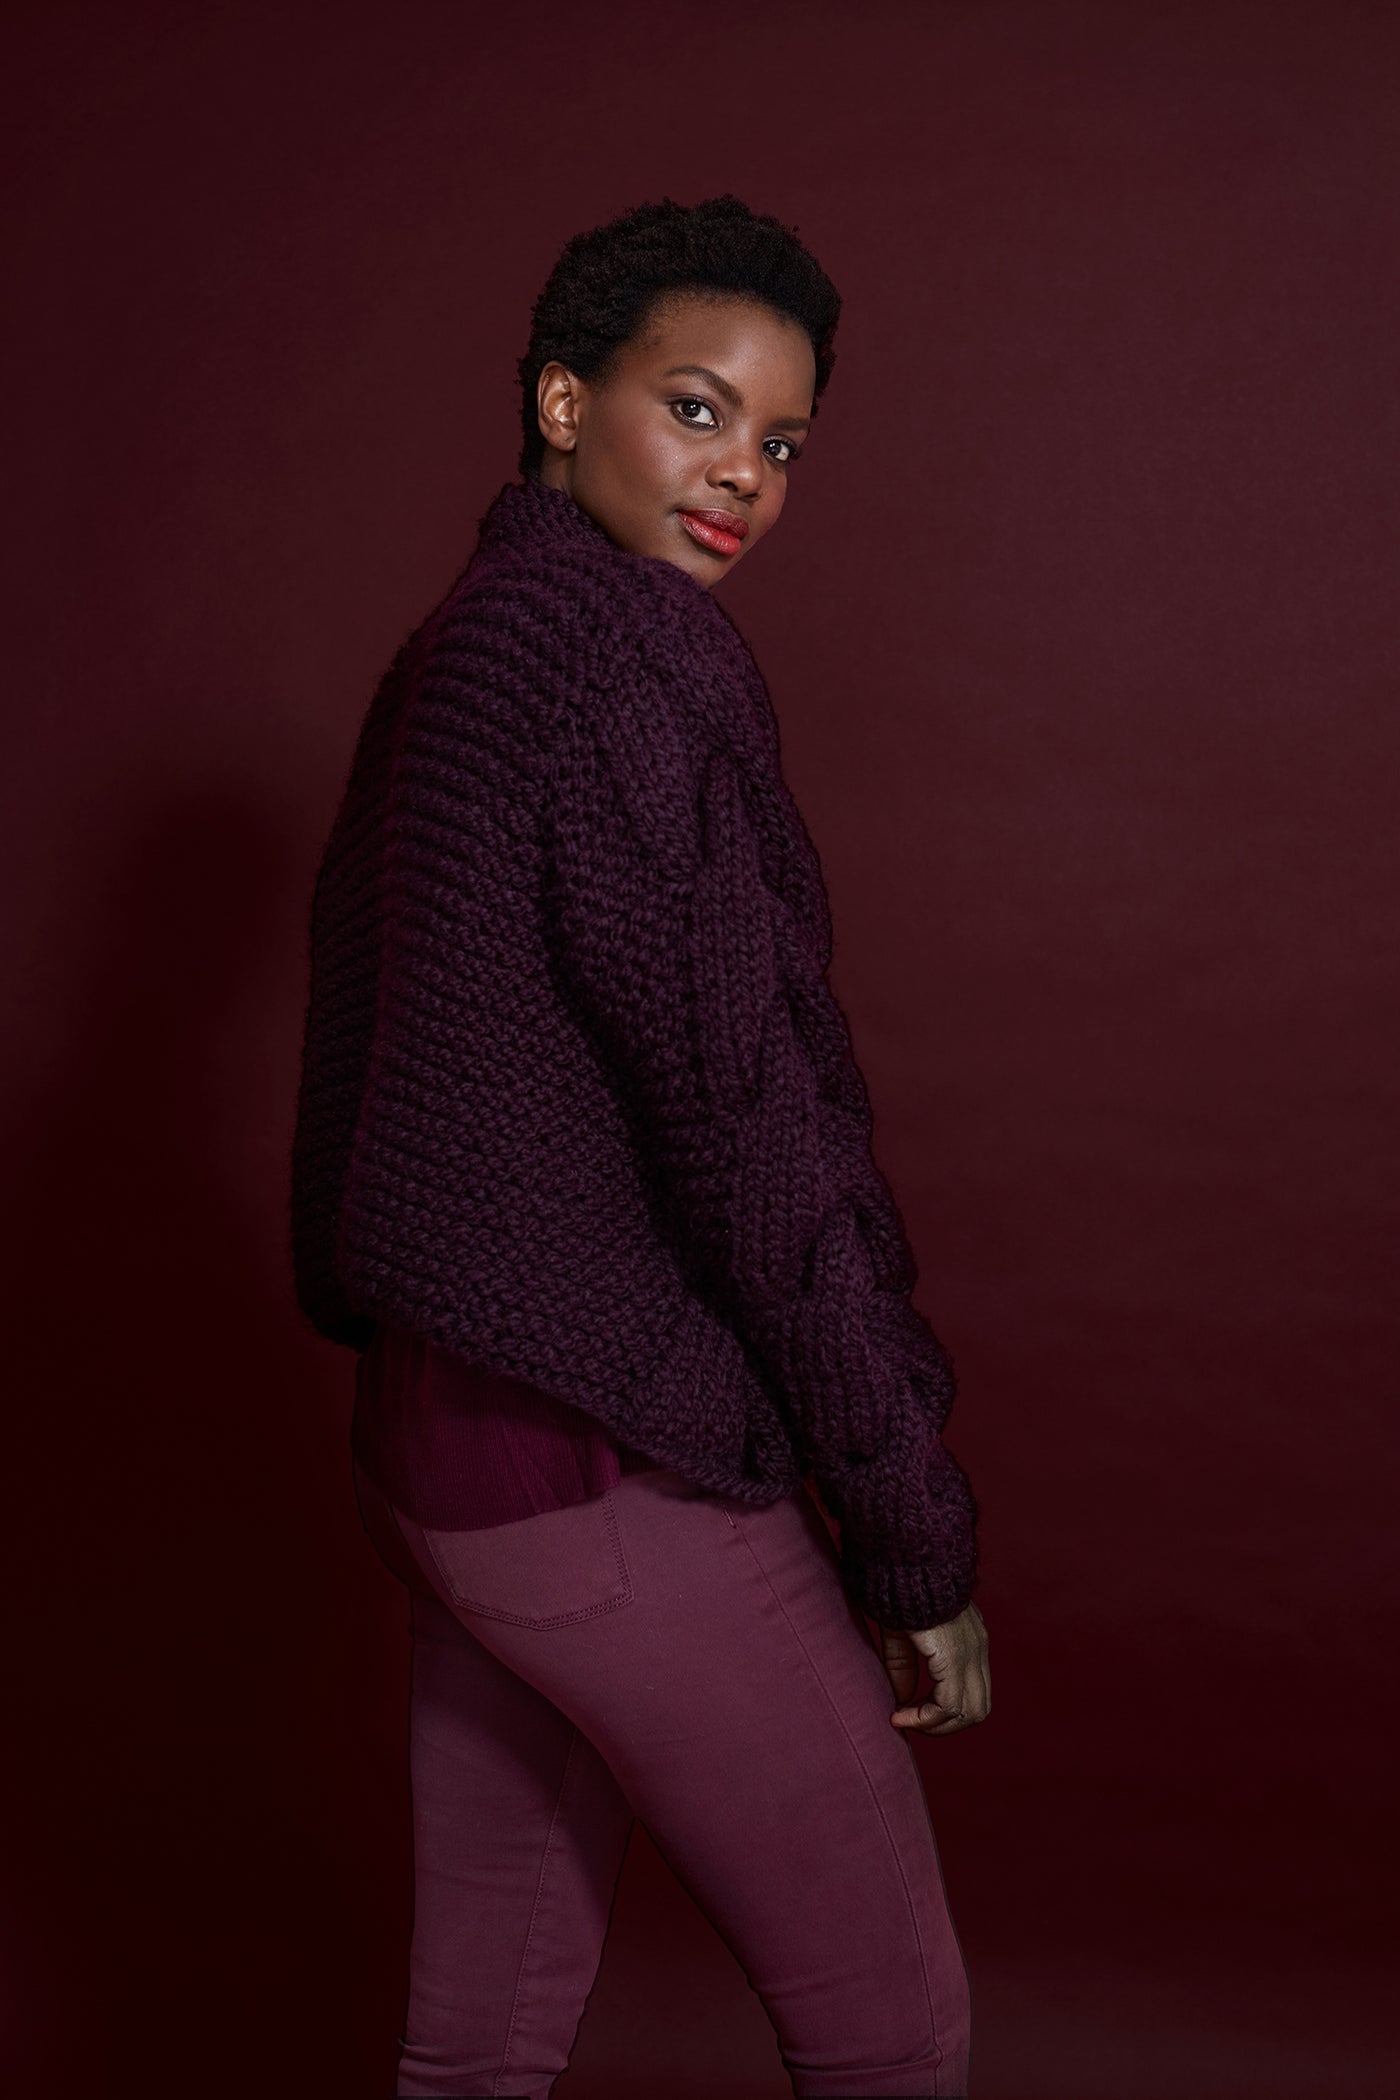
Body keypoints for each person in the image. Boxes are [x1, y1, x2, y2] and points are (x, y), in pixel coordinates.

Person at [290, 192, 991, 2100]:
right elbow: (756, 1132)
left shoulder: (460, 647)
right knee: (894, 2029)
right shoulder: (624, 655)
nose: (743, 475)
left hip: (446, 1462)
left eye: (782, 443)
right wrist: (912, 1536)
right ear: (559, 400)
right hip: (599, 1468)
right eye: (697, 410)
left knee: (476, 2043)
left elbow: (357, 1041)